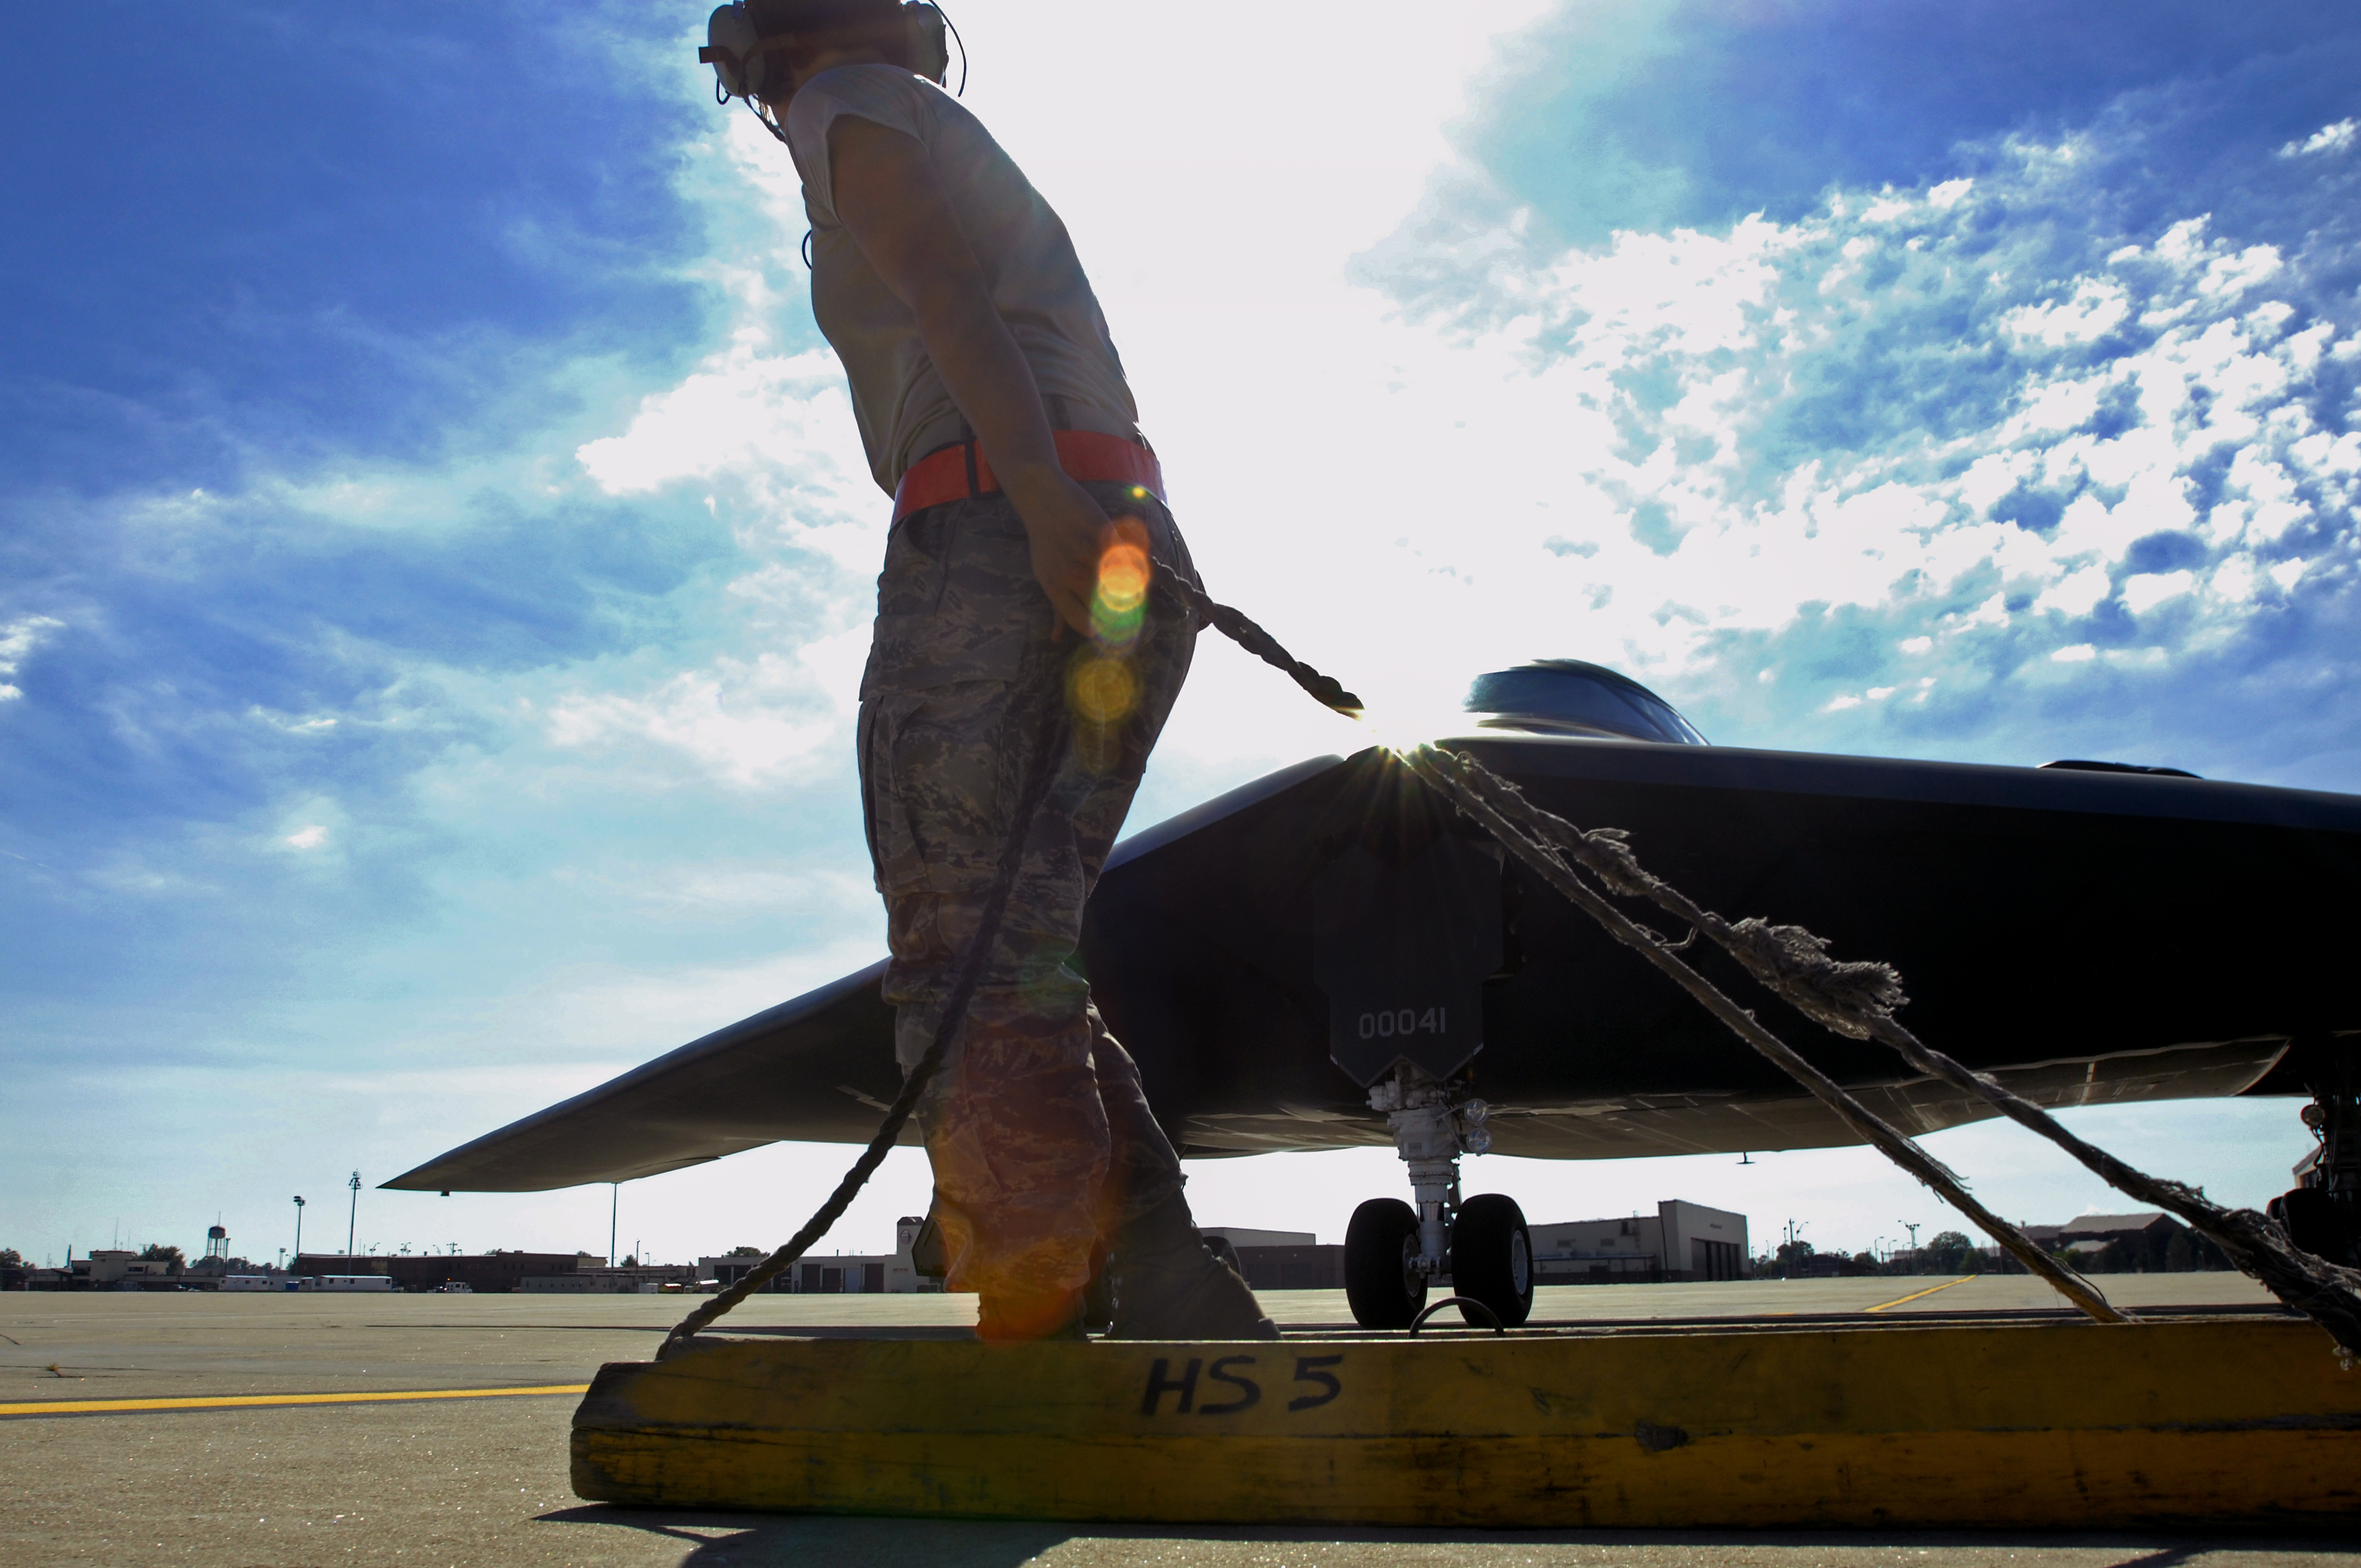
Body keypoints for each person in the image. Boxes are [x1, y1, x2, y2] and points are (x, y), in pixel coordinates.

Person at [719, 0, 1277, 1342]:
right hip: (1119, 537)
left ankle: (1038, 1303)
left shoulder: (845, 97)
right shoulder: (931, 115)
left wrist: (1030, 496)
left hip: (1002, 527)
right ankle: (1163, 1278)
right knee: (1013, 943)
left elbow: (945, 292)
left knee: (959, 942)